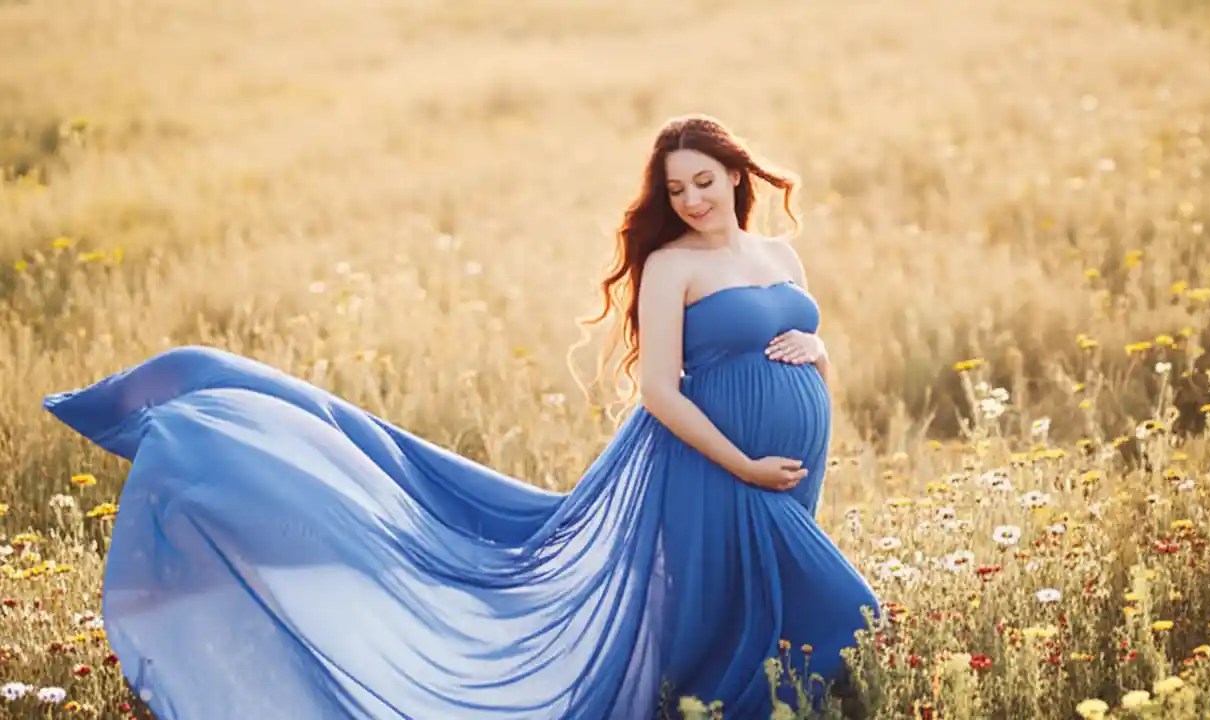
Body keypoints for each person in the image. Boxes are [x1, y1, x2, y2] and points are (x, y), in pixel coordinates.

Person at [42, 113, 881, 719]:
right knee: (844, 609)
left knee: (757, 615)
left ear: (737, 174)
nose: (694, 197)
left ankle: (707, 702)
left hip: (784, 472)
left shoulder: (779, 254)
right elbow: (660, 390)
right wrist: (740, 464)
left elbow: (800, 345)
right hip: (711, 466)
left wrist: (819, 355)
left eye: (705, 180)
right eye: (677, 188)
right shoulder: (669, 266)